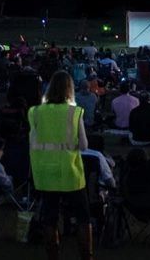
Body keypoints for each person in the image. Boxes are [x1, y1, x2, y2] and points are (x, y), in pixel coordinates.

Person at [29, 70, 93, 260]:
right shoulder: (74, 112)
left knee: (50, 217)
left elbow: (33, 141)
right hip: (70, 172)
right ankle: (86, 255)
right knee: (83, 217)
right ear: (70, 89)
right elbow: (83, 145)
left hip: (45, 173)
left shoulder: (35, 112)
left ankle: (53, 255)